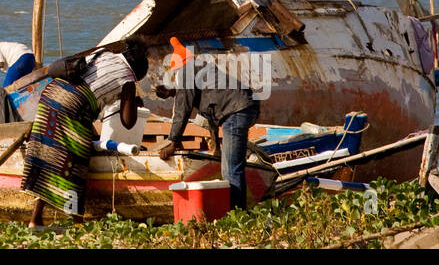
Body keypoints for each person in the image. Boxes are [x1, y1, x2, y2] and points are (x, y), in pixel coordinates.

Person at [21, 42, 147, 228]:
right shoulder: (128, 79)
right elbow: (128, 122)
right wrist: (132, 100)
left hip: (51, 95)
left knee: (48, 155)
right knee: (74, 162)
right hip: (73, 105)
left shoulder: (104, 54)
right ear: (137, 72)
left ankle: (35, 219)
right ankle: (75, 221)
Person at [154, 40, 260, 211]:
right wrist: (215, 146)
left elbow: (183, 108)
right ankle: (239, 210)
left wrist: (173, 141)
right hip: (245, 106)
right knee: (233, 165)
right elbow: (210, 107)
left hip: (236, 111)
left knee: (230, 169)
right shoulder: (202, 69)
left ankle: (238, 214)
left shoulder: (186, 72)